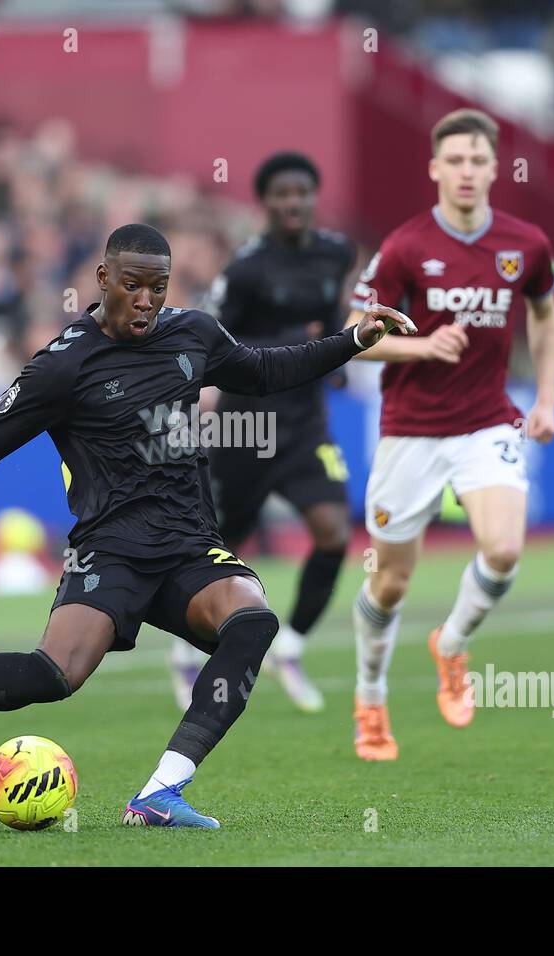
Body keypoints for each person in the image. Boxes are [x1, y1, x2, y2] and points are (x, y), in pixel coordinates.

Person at [0, 224, 414, 828]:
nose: (145, 300)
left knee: (252, 621)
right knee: (53, 676)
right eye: (132, 285)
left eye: (158, 288)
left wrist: (353, 339)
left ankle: (161, 793)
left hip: (190, 545)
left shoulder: (194, 334)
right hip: (111, 548)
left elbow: (265, 370)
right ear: (103, 278)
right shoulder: (63, 366)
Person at [344, 108, 554, 760]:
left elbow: (545, 315)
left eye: (478, 160)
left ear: (495, 169)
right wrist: (423, 347)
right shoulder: (405, 247)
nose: (467, 171)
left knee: (504, 549)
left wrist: (547, 397)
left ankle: (452, 642)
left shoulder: (527, 244)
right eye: (456, 161)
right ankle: (371, 699)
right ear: (435, 168)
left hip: (486, 420)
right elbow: (357, 336)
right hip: (410, 430)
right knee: (391, 581)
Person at [168, 151, 357, 714]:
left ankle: (290, 648)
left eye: (302, 192)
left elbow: (332, 314)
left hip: (306, 423)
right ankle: (185, 652)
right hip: (247, 423)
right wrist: (297, 341)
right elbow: (214, 338)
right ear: (265, 202)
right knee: (222, 545)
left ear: (313, 197)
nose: (293, 202)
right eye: (282, 194)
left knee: (333, 532)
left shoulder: (336, 253)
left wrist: (336, 356)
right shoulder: (247, 268)